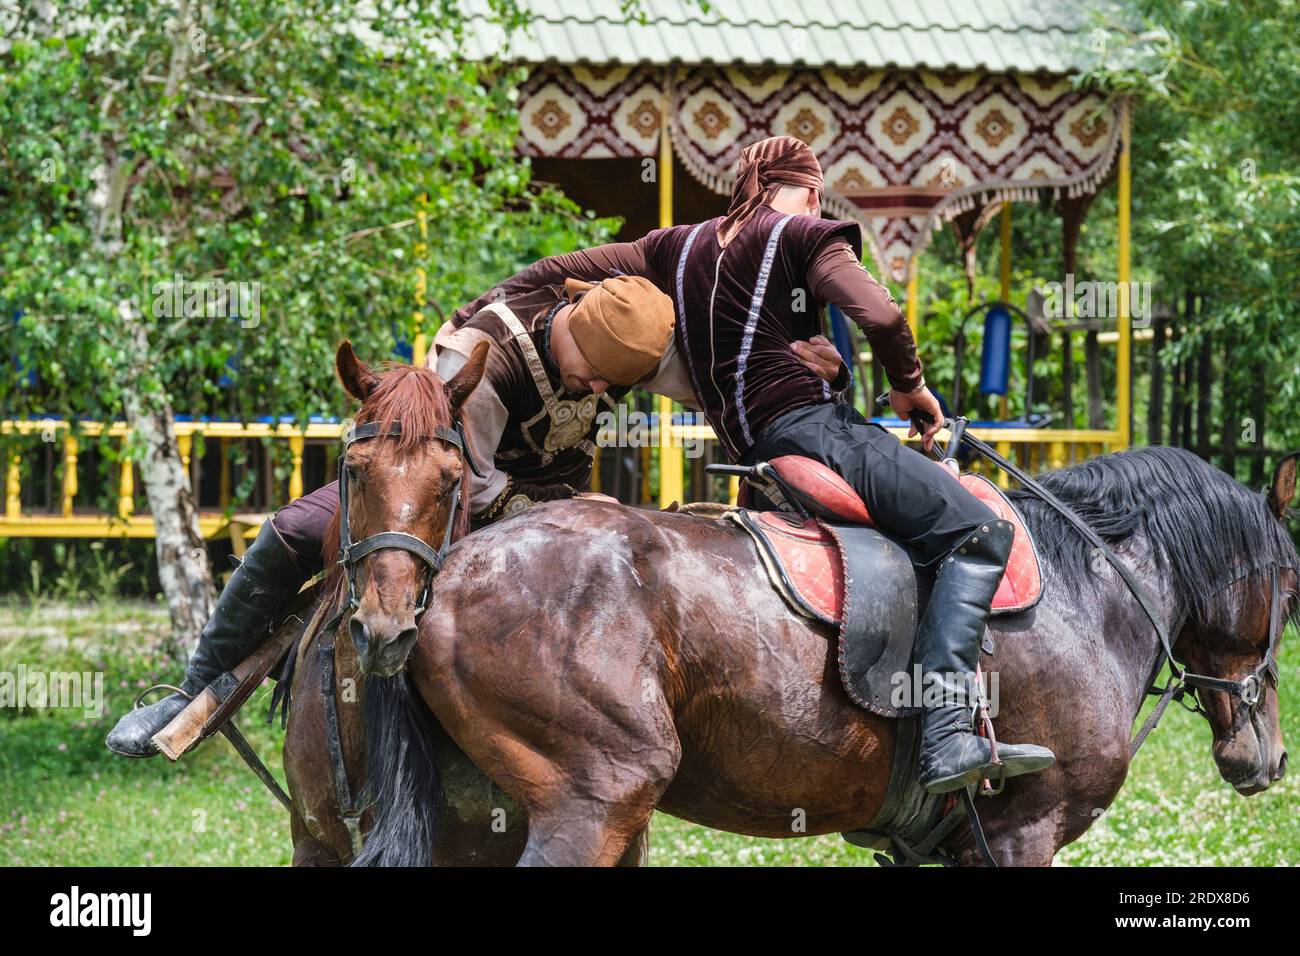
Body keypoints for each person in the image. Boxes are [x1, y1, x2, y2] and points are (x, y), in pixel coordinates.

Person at [451, 137, 1056, 794]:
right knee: (976, 531)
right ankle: (945, 734)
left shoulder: (671, 248)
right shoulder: (806, 237)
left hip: (753, 450)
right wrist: (907, 383)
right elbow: (880, 312)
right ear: (811, 191)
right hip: (818, 431)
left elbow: (552, 267)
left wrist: (470, 321)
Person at [106, 274, 843, 757]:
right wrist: (554, 513)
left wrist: (789, 366)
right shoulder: (485, 354)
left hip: (553, 510)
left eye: (615, 383)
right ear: (571, 328)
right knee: (297, 529)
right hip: (447, 492)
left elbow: (712, 385)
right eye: (590, 371)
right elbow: (472, 479)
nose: (596, 388)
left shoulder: (625, 345)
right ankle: (193, 690)